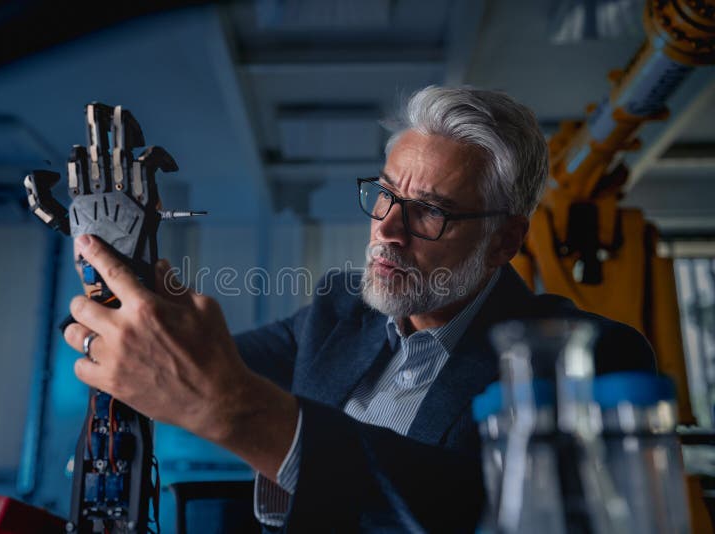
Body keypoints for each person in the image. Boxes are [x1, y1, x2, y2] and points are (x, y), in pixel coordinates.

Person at [62, 86, 656, 532]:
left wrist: (240, 415)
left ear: (504, 241)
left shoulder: (582, 354)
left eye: (430, 211)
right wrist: (133, 297)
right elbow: (202, 366)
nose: (387, 229)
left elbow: (485, 508)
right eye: (385, 194)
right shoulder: (341, 308)